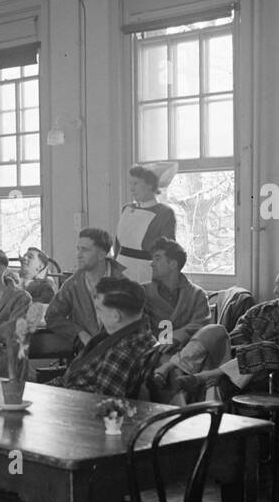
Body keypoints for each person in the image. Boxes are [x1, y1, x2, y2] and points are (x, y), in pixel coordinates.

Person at [171, 267, 279, 402]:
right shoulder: (261, 309)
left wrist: (258, 351)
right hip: (239, 364)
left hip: (277, 371)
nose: (275, 291)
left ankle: (207, 378)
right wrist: (245, 354)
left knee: (263, 350)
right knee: (214, 329)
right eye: (276, 285)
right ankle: (176, 369)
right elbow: (237, 334)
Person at [49, 278, 158, 397]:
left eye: (99, 309)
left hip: (71, 404)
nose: (99, 316)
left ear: (116, 316)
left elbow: (104, 406)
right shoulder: (142, 335)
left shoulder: (121, 353)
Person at [141, 239, 216, 400]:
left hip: (189, 354)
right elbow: (138, 323)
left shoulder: (197, 294)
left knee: (179, 370)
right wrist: (159, 344)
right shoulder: (143, 292)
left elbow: (202, 324)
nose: (151, 264)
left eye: (157, 258)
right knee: (171, 371)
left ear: (173, 264)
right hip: (154, 352)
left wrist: (174, 337)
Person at [40, 228, 127, 357]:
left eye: (85, 250)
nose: (79, 255)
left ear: (102, 254)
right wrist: (80, 333)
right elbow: (52, 316)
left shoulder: (124, 283)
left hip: (120, 354)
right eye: (78, 249)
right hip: (87, 354)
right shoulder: (73, 284)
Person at [113, 164, 178, 286]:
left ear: (150, 185)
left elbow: (168, 250)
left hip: (145, 272)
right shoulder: (126, 209)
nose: (131, 189)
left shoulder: (164, 213)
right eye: (130, 184)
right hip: (120, 270)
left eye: (136, 184)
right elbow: (117, 245)